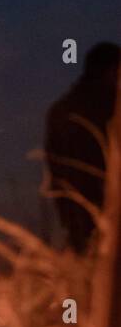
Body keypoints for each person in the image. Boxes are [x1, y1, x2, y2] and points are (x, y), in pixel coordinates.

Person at [44, 41, 120, 252]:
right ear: (111, 71)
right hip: (107, 214)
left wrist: (67, 215)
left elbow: (55, 168)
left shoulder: (59, 111)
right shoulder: (111, 108)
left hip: (75, 216)